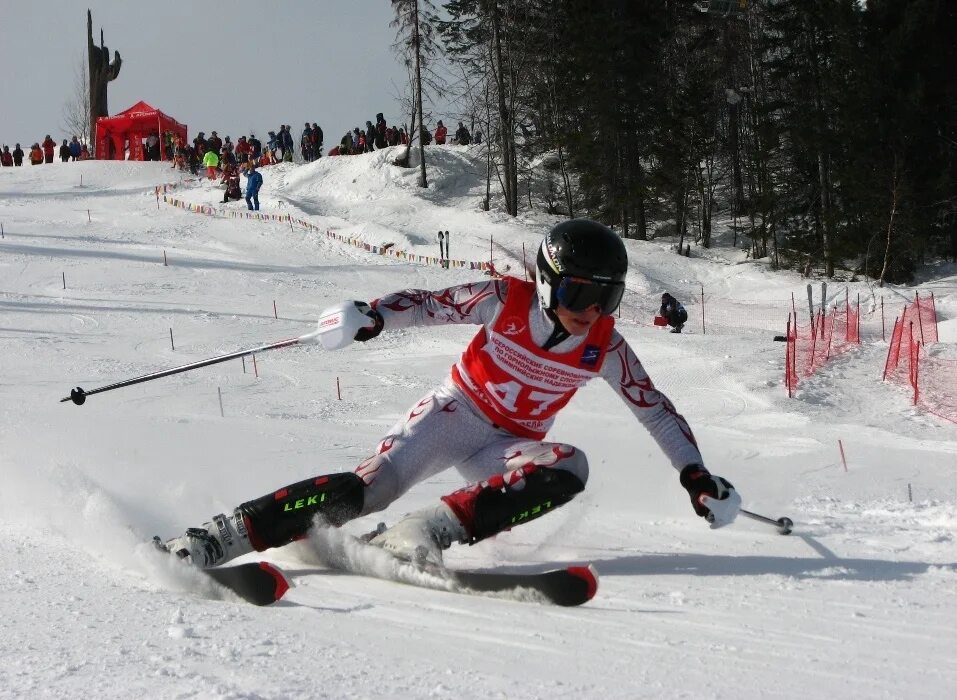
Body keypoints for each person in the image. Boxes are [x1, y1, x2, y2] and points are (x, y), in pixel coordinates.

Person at [160, 219, 741, 569]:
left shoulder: (605, 348)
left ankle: (425, 533)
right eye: (579, 292)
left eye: (607, 298)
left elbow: (656, 412)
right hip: (453, 413)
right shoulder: (505, 300)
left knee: (570, 466)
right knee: (371, 490)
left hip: (509, 445)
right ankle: (217, 538)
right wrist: (373, 318)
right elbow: (430, 303)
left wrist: (695, 475)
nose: (591, 310)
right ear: (546, 283)